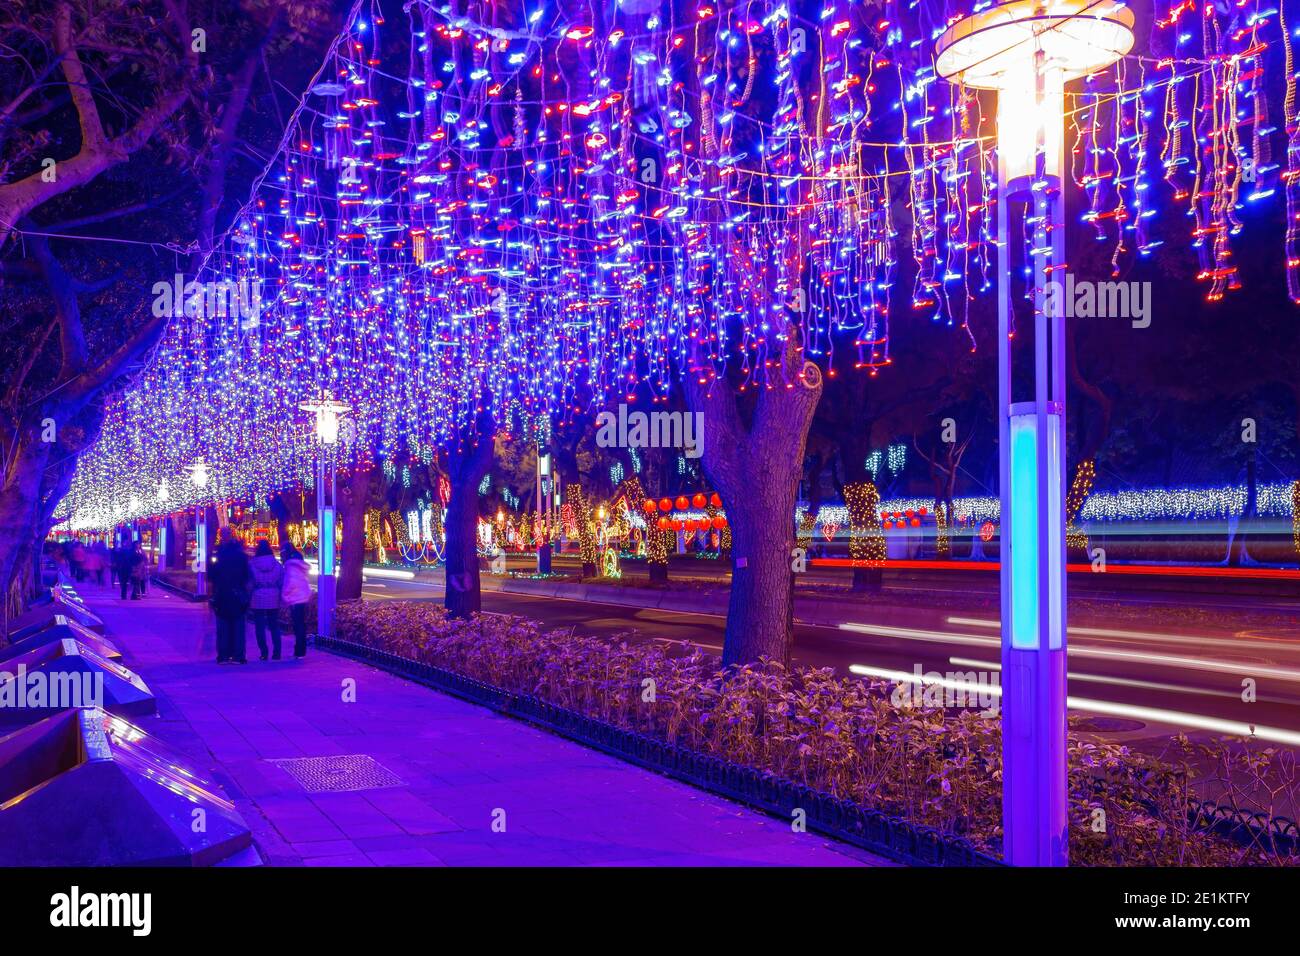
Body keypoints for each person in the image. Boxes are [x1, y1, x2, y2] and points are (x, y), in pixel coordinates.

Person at [210, 538, 251, 664]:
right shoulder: (242, 558)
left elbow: (212, 577)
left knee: (223, 629)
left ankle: (223, 656)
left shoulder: (219, 558)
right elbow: (247, 577)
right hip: (238, 597)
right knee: (238, 628)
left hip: (222, 596)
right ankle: (238, 656)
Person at [248, 539, 284, 660]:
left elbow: (250, 583)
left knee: (259, 627)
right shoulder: (277, 565)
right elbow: (281, 582)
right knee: (274, 626)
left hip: (258, 597)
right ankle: (277, 652)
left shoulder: (252, 564)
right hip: (274, 597)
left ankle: (264, 653)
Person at [280, 543, 311, 659]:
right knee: (301, 624)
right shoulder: (300, 565)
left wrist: (284, 596)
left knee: (298, 625)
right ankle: (300, 650)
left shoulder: (291, 567)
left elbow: (290, 583)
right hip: (303, 597)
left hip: (295, 598)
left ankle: (299, 652)